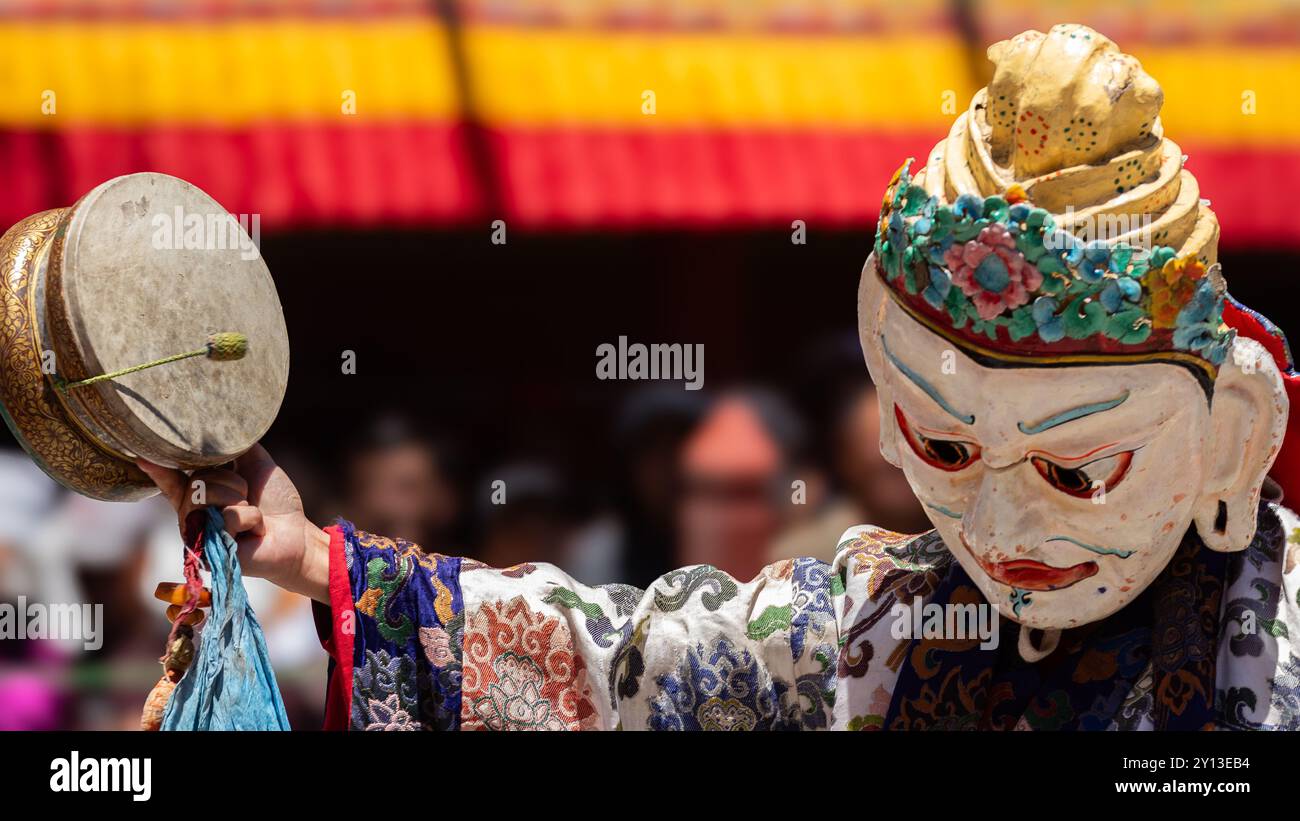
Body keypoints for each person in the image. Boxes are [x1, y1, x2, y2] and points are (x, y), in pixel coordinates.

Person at [140, 25, 1300, 731]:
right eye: (947, 448)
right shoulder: (877, 629)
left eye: (1074, 463)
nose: (995, 523)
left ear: (1231, 430)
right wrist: (313, 558)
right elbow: (615, 655)